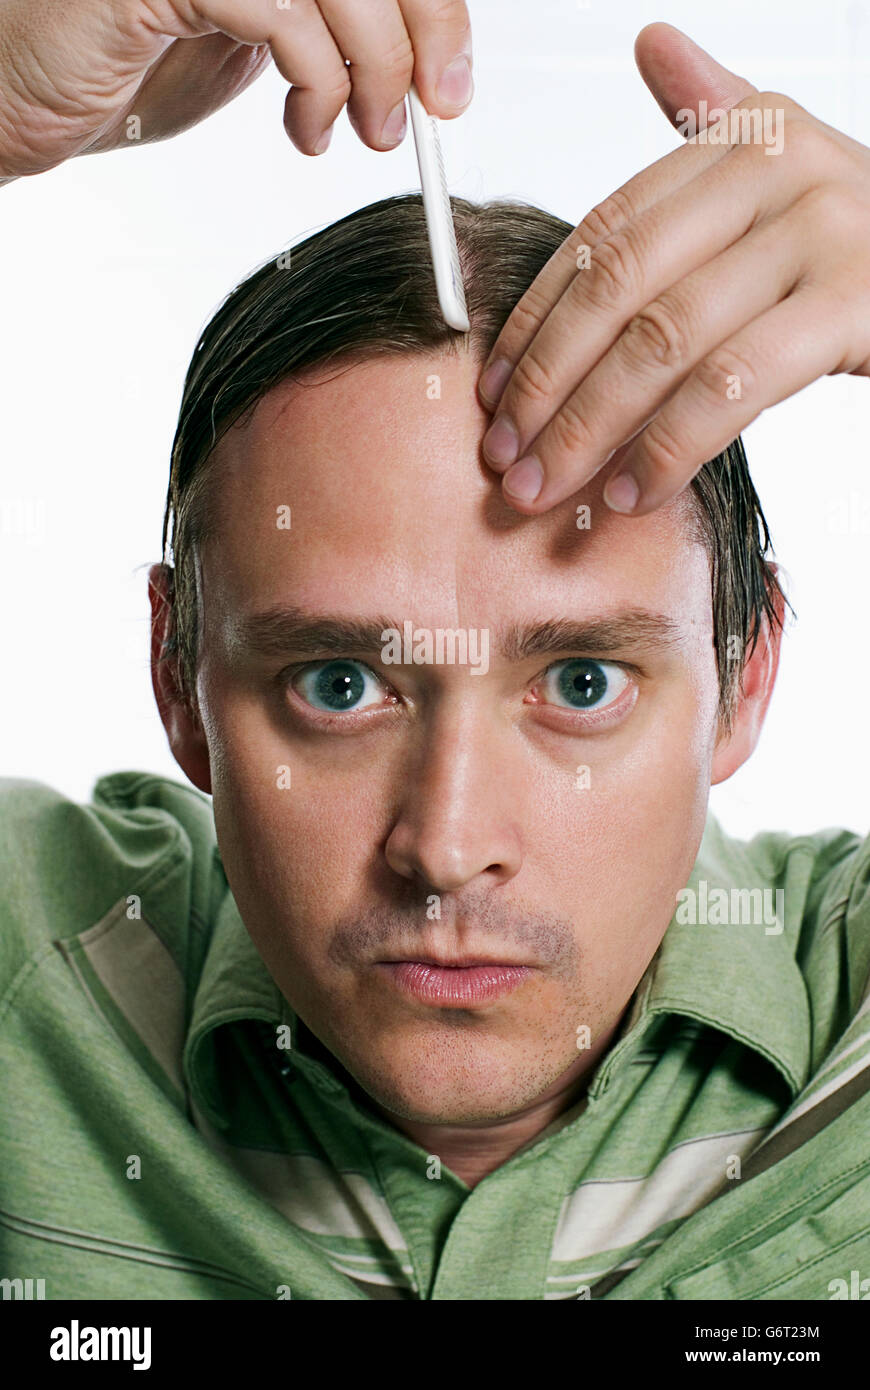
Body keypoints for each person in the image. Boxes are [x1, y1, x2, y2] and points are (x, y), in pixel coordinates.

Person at [1, 11, 868, 1301]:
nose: (449, 845)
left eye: (581, 683)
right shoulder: (36, 971)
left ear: (746, 675)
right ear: (177, 672)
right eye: (337, 685)